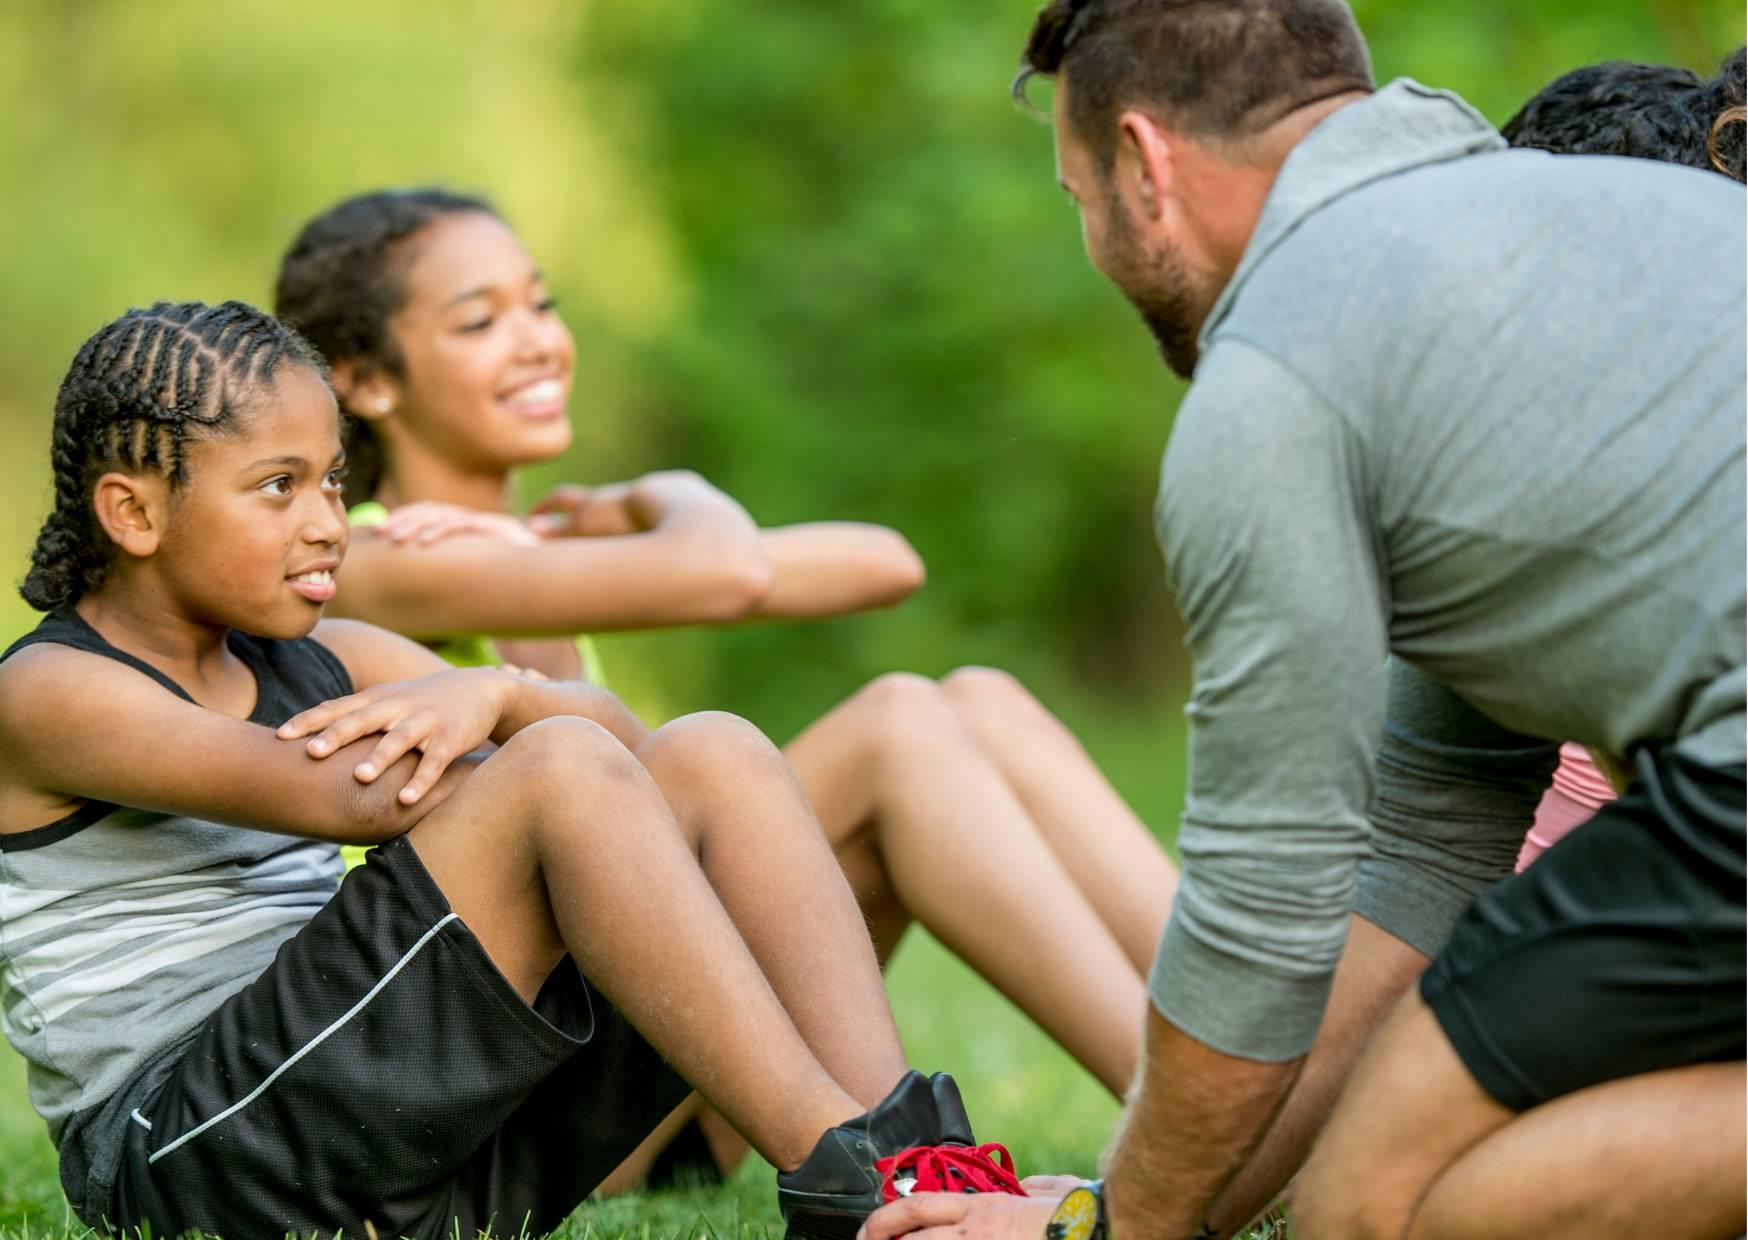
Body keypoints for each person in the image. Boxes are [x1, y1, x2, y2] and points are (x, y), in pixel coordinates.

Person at [863, 2, 1745, 1238]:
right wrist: (1121, 1206)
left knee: (1373, 1208)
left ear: (1142, 165)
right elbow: (1428, 847)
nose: (1095, 244)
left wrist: (1110, 1234)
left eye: (1079, 200)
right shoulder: (1542, 243)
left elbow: (1258, 913)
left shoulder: (1277, 383)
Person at [0, 300, 1022, 1240]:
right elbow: (370, 789)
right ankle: (852, 1180)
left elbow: (637, 755)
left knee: (712, 753)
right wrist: (531, 754)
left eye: (332, 484)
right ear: (133, 514)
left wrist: (501, 693)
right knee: (560, 771)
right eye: (278, 486)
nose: (323, 522)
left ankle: (921, 1166)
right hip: (191, 1159)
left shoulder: (332, 657)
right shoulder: (51, 693)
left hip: (393, 1144)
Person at [269, 189, 1181, 1142]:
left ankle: (1256, 1050)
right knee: (899, 728)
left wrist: (603, 532)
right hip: (535, 1088)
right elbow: (732, 569)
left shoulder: (535, 552)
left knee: (980, 702)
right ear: (366, 381)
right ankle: (1198, 1132)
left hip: (676, 1056)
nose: (537, 340)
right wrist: (670, 492)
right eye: (481, 320)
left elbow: (886, 562)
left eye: (541, 304)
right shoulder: (381, 557)